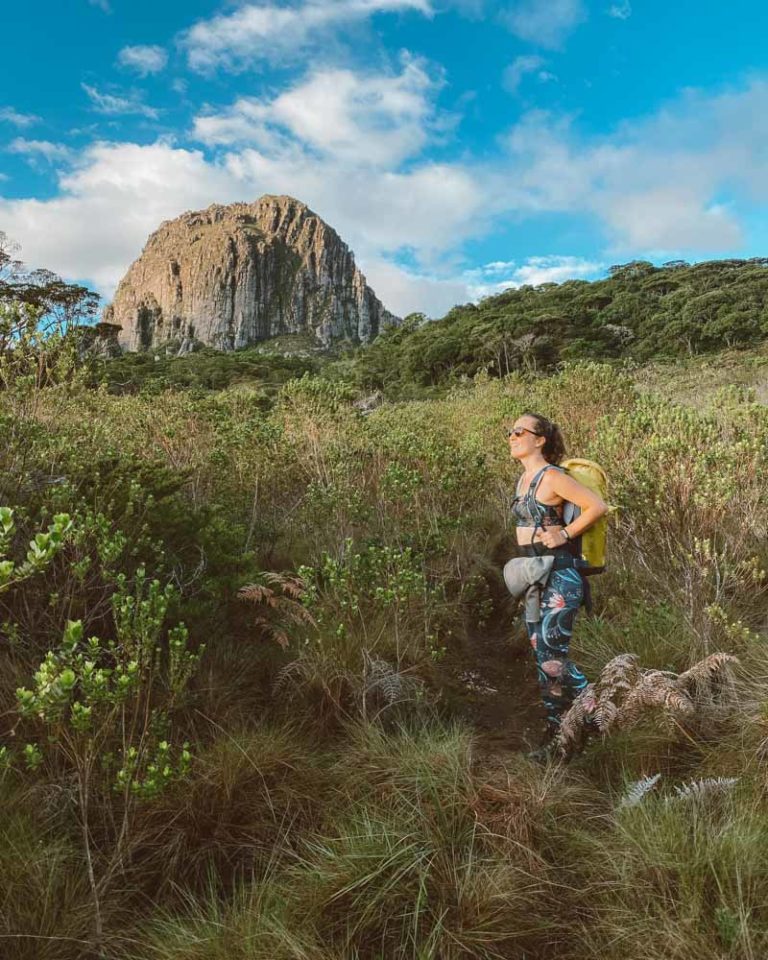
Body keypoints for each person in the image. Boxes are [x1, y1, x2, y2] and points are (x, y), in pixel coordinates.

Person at [507, 411, 608, 744]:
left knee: (553, 656)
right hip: (534, 576)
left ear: (540, 439)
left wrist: (564, 533)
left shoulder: (552, 477)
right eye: (510, 432)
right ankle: (559, 731)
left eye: (519, 431)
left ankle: (600, 717)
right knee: (541, 655)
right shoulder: (523, 480)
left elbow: (596, 506)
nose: (512, 436)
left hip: (560, 575)